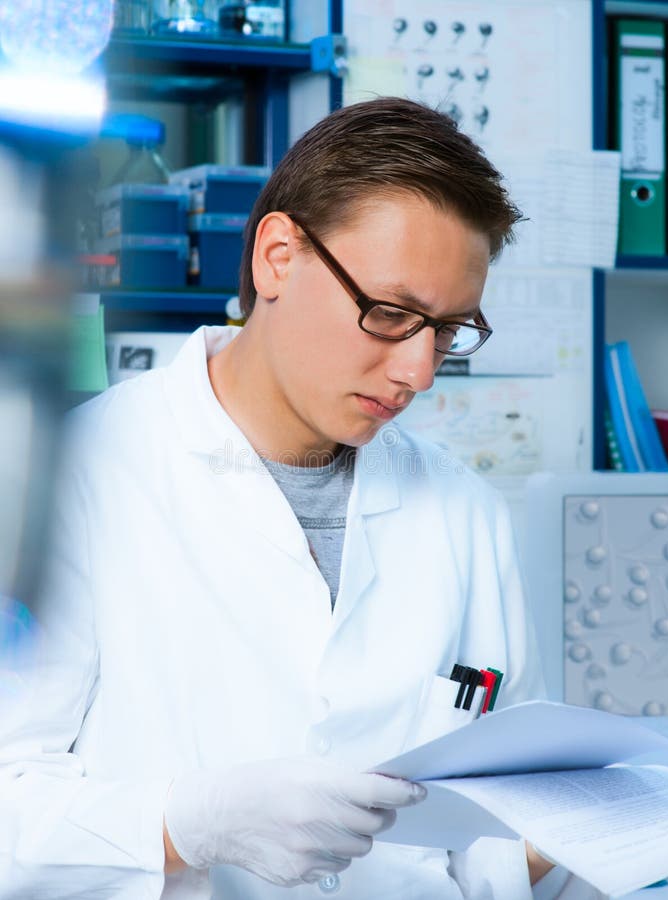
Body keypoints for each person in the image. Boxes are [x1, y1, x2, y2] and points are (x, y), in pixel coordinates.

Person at [0, 97, 603, 900]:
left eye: (448, 332)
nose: (418, 372)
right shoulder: (73, 476)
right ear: (277, 257)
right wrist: (190, 824)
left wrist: (582, 839)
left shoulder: (464, 512)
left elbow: (484, 838)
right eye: (389, 314)